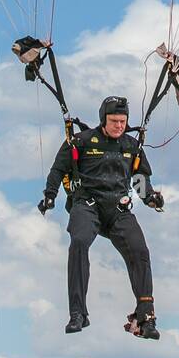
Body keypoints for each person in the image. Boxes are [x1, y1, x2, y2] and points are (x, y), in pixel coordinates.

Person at [38, 95, 164, 339]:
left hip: (118, 209)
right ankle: (78, 313)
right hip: (87, 204)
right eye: (114, 120)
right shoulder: (82, 141)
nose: (119, 126)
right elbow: (58, 170)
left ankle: (145, 316)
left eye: (123, 121)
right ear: (103, 119)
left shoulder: (131, 145)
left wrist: (149, 197)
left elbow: (139, 178)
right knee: (79, 243)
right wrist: (50, 196)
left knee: (140, 250)